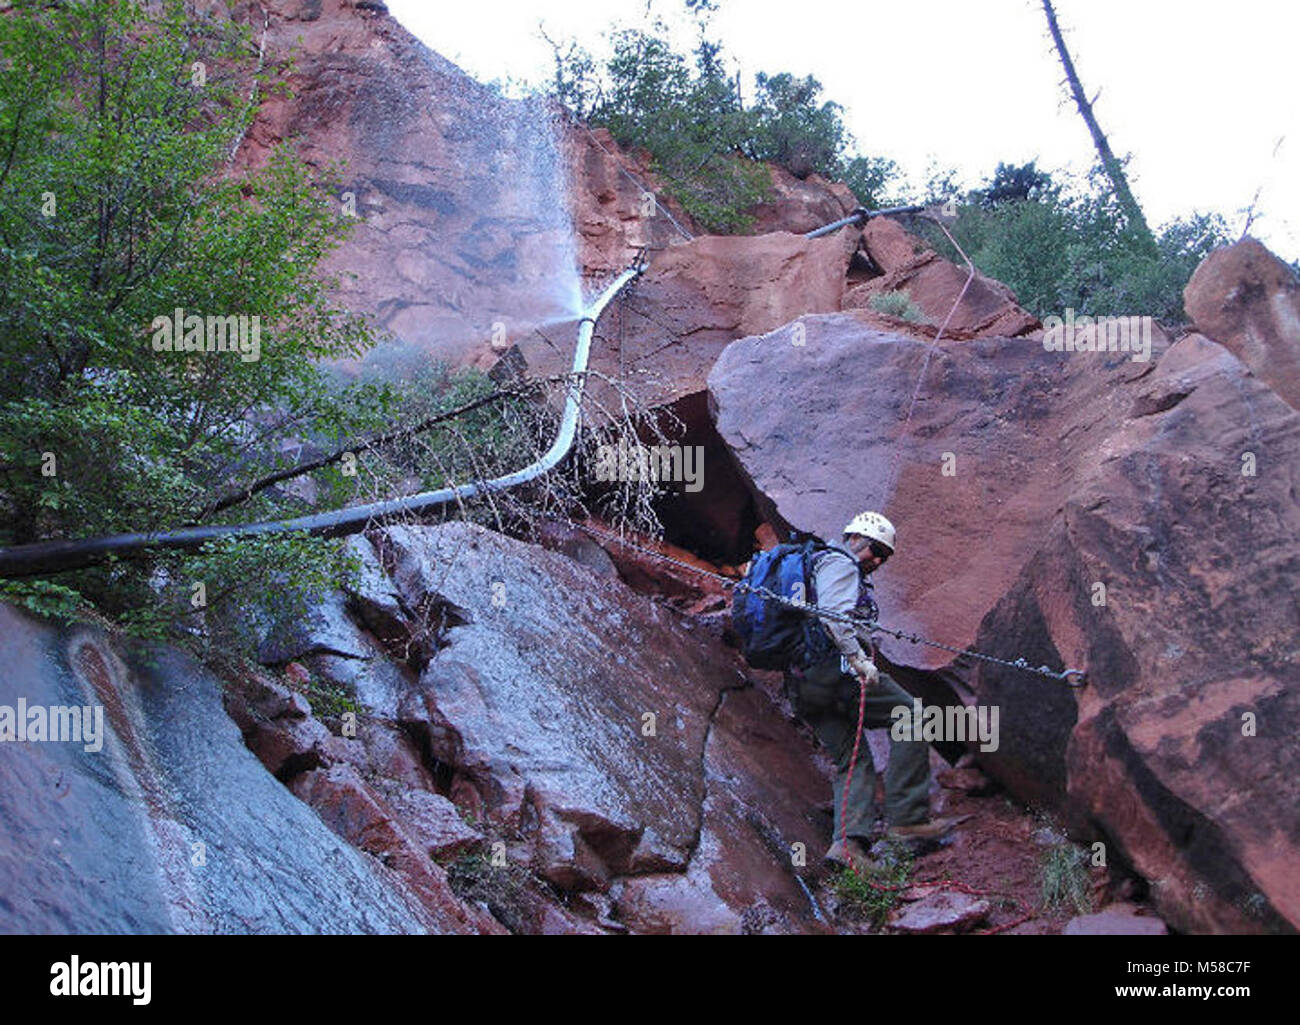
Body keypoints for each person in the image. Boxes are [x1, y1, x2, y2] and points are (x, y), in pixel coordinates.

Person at [784, 510, 967, 874]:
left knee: (853, 761)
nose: (877, 560)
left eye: (884, 556)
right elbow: (833, 616)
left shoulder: (814, 565)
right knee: (910, 714)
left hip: (802, 683)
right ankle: (908, 819)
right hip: (834, 673)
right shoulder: (840, 563)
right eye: (875, 549)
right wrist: (858, 659)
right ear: (855, 538)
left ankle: (847, 849)